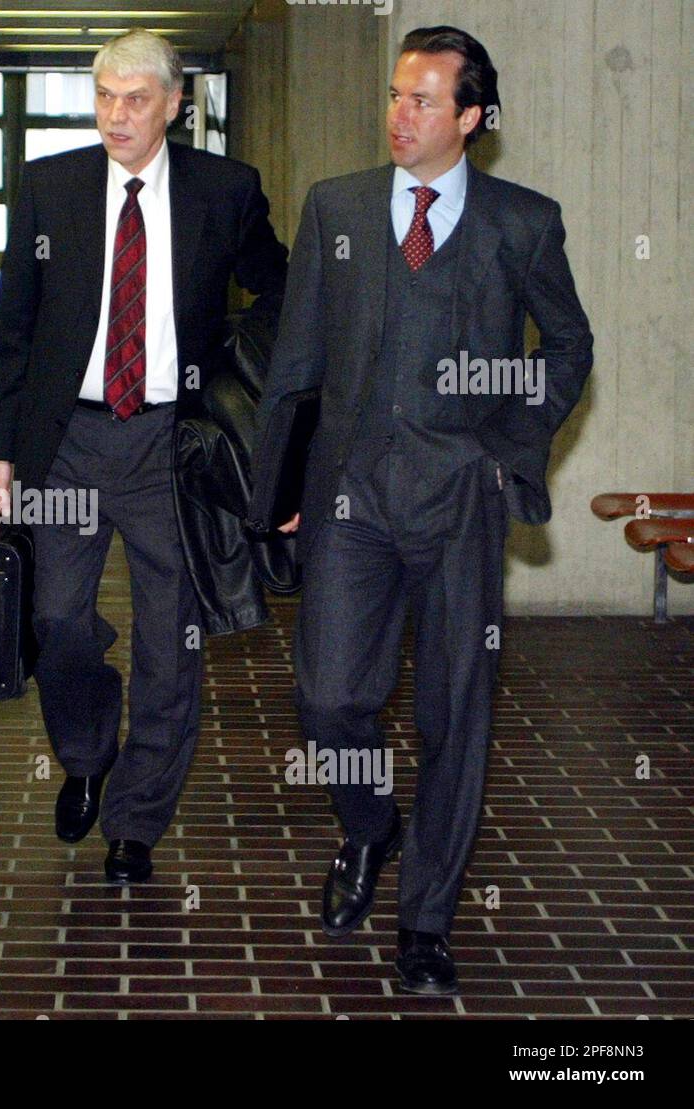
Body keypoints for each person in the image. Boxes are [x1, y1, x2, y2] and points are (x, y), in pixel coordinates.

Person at [256, 27, 592, 993]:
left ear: (472, 116)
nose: (399, 116)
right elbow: (298, 358)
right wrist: (281, 488)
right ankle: (369, 824)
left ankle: (426, 920)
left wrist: (505, 446)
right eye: (395, 96)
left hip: (459, 502)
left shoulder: (523, 223)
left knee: (456, 714)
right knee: (328, 698)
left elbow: (568, 345)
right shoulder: (339, 207)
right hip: (351, 496)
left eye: (423, 101)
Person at [0, 29, 287, 883]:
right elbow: (15, 331)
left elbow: (283, 289)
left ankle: (137, 818)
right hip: (68, 442)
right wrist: (0, 453)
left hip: (168, 446)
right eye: (104, 96)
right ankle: (86, 753)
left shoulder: (225, 191)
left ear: (174, 105)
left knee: (170, 638)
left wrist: (243, 385)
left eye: (136, 99)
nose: (116, 115)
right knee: (55, 618)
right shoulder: (50, 187)